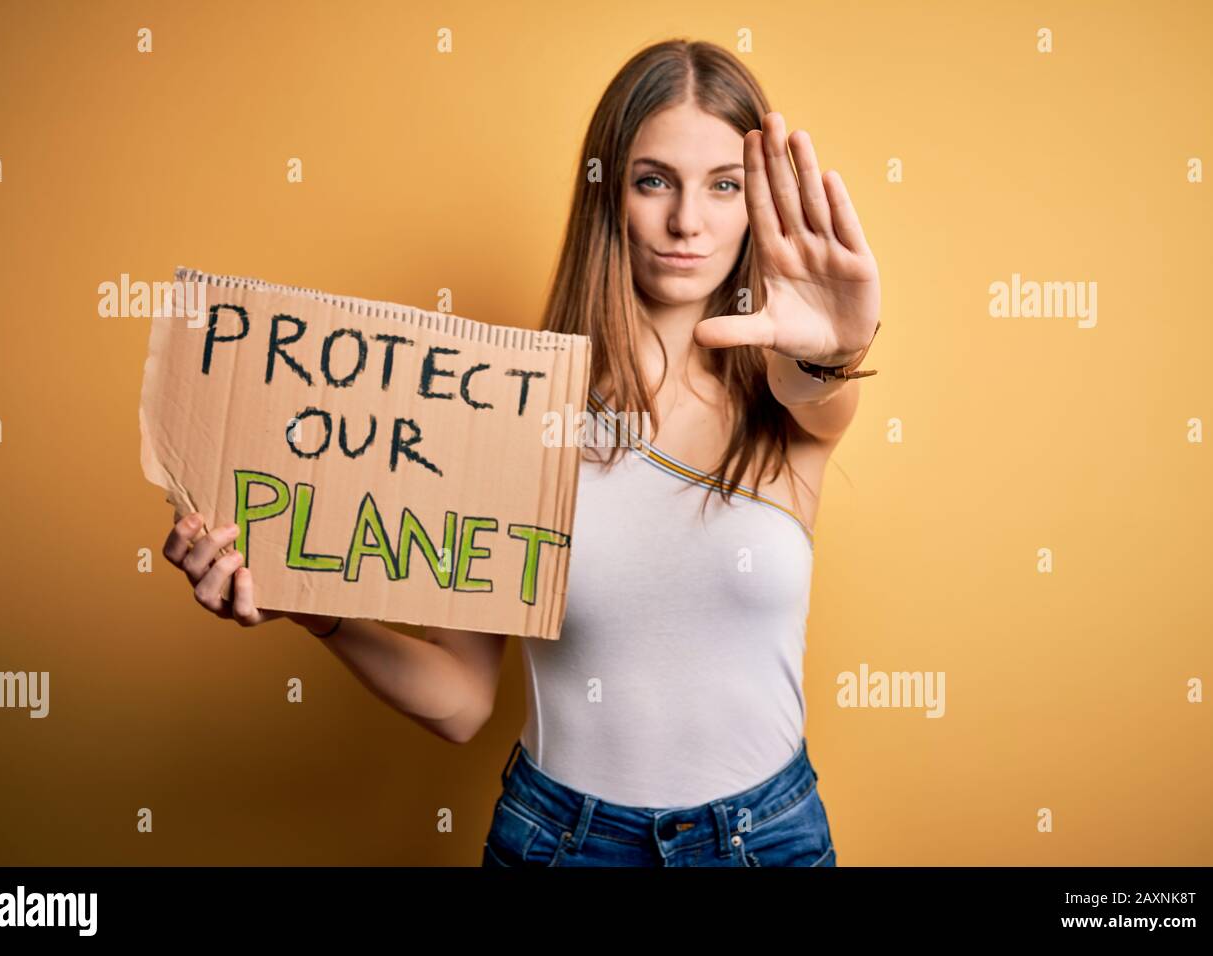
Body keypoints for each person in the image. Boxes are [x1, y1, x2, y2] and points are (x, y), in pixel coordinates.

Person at [163, 38, 881, 867]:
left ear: (758, 202)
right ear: (608, 192)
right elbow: (462, 701)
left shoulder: (792, 402)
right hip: (564, 844)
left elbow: (822, 389)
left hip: (771, 842)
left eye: (723, 186)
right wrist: (309, 604)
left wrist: (836, 345)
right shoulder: (509, 408)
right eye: (656, 181)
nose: (689, 221)